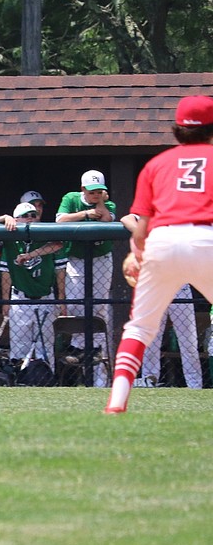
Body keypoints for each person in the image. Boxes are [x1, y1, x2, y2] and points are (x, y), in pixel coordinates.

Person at [105, 95, 213, 413]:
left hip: (162, 241)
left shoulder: (156, 164)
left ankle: (116, 402)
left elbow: (141, 226)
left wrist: (135, 254)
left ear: (177, 129)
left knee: (139, 327)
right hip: (206, 237)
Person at [118, 213, 203, 390]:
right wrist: (143, 232)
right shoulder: (152, 213)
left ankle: (195, 384)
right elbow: (126, 218)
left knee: (188, 340)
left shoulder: (183, 217)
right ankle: (150, 379)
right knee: (151, 338)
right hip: (155, 285)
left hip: (180, 283)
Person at [56, 168, 117, 387]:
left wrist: (100, 204)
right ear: (83, 189)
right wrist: (86, 214)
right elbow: (60, 220)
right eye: (92, 192)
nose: (95, 195)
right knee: (75, 307)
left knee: (98, 310)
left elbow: (108, 219)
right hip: (77, 259)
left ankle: (89, 352)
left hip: (101, 259)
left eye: (99, 191)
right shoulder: (72, 198)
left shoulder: (107, 204)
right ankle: (82, 348)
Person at [0, 201, 66, 370]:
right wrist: (5, 218)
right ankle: (21, 381)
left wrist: (61, 298)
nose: (30, 219)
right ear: (16, 219)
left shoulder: (45, 234)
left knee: (45, 347)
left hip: (45, 297)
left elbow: (58, 246)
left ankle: (46, 379)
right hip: (20, 298)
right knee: (19, 347)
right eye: (25, 216)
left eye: (33, 215)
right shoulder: (10, 238)